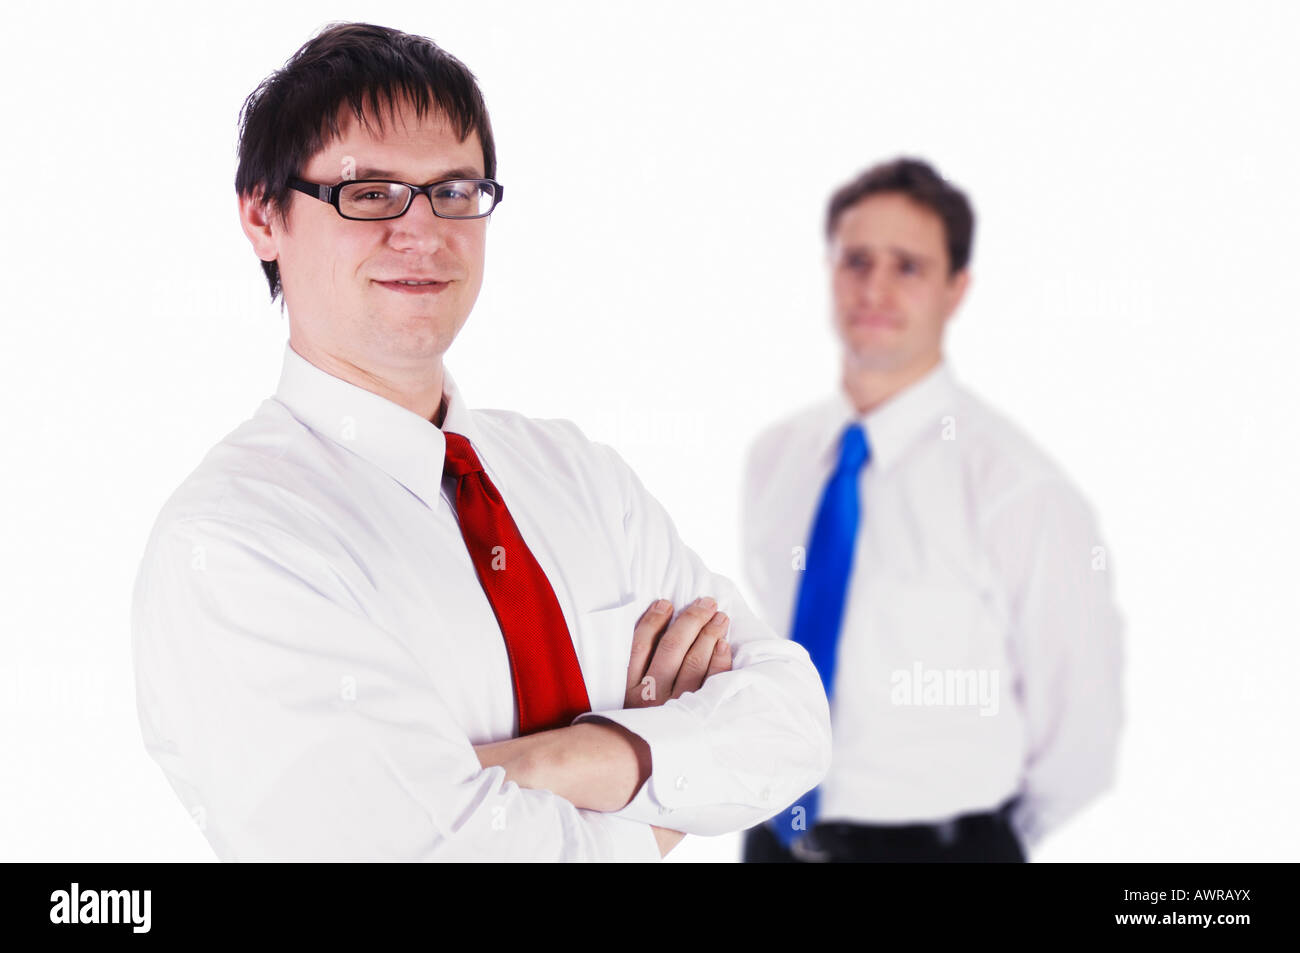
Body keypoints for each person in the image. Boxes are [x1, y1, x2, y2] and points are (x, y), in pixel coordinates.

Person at [129, 21, 830, 862]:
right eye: (370, 192)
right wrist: (664, 796)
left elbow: (793, 722)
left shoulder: (577, 475)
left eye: (455, 191)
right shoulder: (238, 543)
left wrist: (564, 757)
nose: (423, 233)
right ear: (262, 215)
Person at [739, 157, 1124, 862]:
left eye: (908, 266)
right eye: (856, 259)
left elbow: (1081, 737)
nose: (875, 287)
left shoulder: (1016, 487)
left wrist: (973, 843)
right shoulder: (779, 457)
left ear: (957, 288)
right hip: (772, 837)